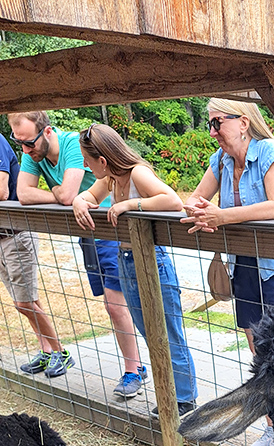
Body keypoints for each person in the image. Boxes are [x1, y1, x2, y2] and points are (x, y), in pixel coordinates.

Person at [182, 98, 274, 446]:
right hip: (244, 264)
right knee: (258, 351)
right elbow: (196, 198)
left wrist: (223, 216)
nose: (214, 131)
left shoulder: (268, 152)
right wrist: (198, 208)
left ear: (244, 122)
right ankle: (273, 428)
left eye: (218, 122)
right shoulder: (220, 161)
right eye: (210, 124)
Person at [7, 111, 146, 397]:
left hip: (112, 227)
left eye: (29, 143)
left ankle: (135, 369)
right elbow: (24, 194)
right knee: (113, 305)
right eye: (18, 142)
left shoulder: (72, 144)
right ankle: (136, 366)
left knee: (116, 305)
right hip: (88, 231)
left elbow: (69, 195)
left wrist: (63, 195)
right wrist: (57, 194)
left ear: (46, 132)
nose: (25, 150)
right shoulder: (32, 152)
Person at [73, 123, 198, 416]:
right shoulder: (111, 179)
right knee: (149, 332)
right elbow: (88, 195)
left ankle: (185, 398)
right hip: (126, 261)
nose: (84, 165)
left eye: (88, 160)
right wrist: (80, 201)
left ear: (103, 160)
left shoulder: (136, 173)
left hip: (153, 259)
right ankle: (170, 393)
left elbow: (172, 200)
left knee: (168, 332)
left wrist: (130, 204)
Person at [0, 132, 71, 377]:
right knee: (27, 301)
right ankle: (47, 351)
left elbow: (2, 191)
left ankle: (61, 353)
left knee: (24, 303)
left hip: (15, 233)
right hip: (2, 236)